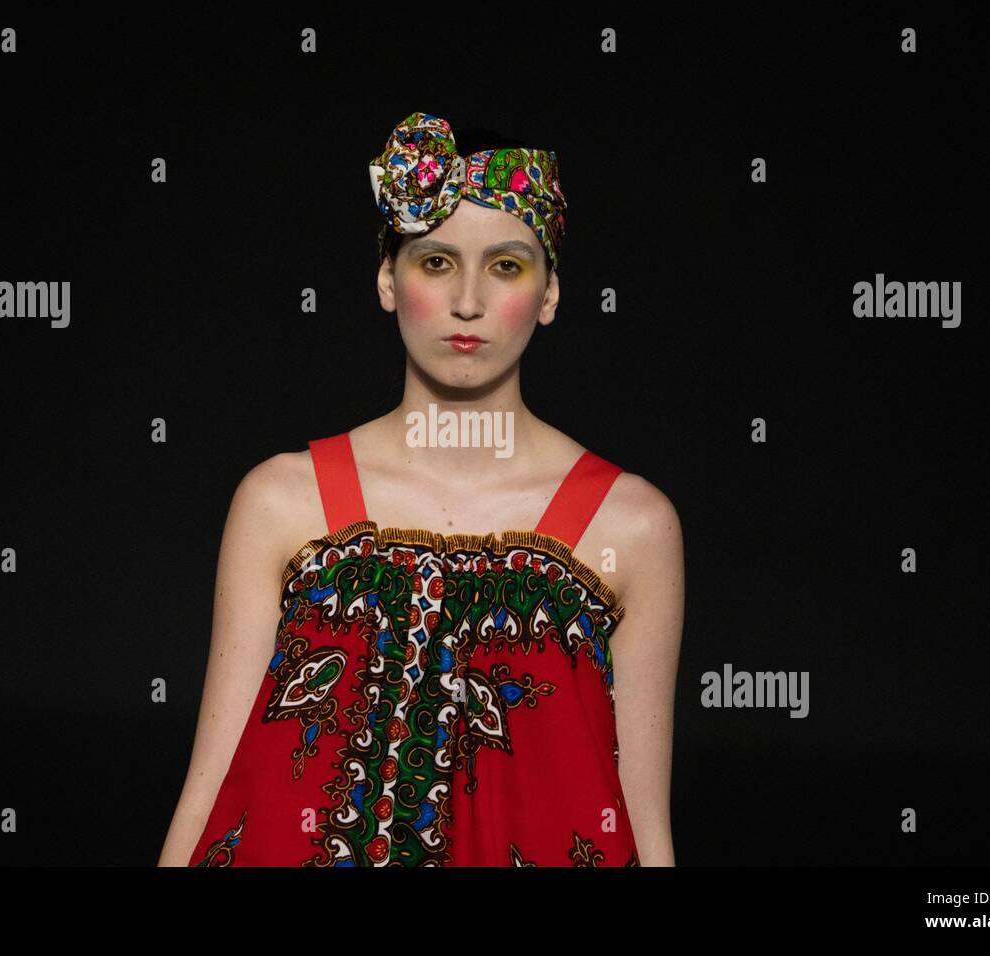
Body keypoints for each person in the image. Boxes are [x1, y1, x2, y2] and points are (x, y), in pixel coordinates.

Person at [158, 111, 685, 867]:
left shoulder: (631, 525)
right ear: (386, 278)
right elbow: (208, 789)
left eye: (506, 265)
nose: (467, 300)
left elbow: (642, 823)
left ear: (550, 294)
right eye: (435, 262)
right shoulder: (282, 500)